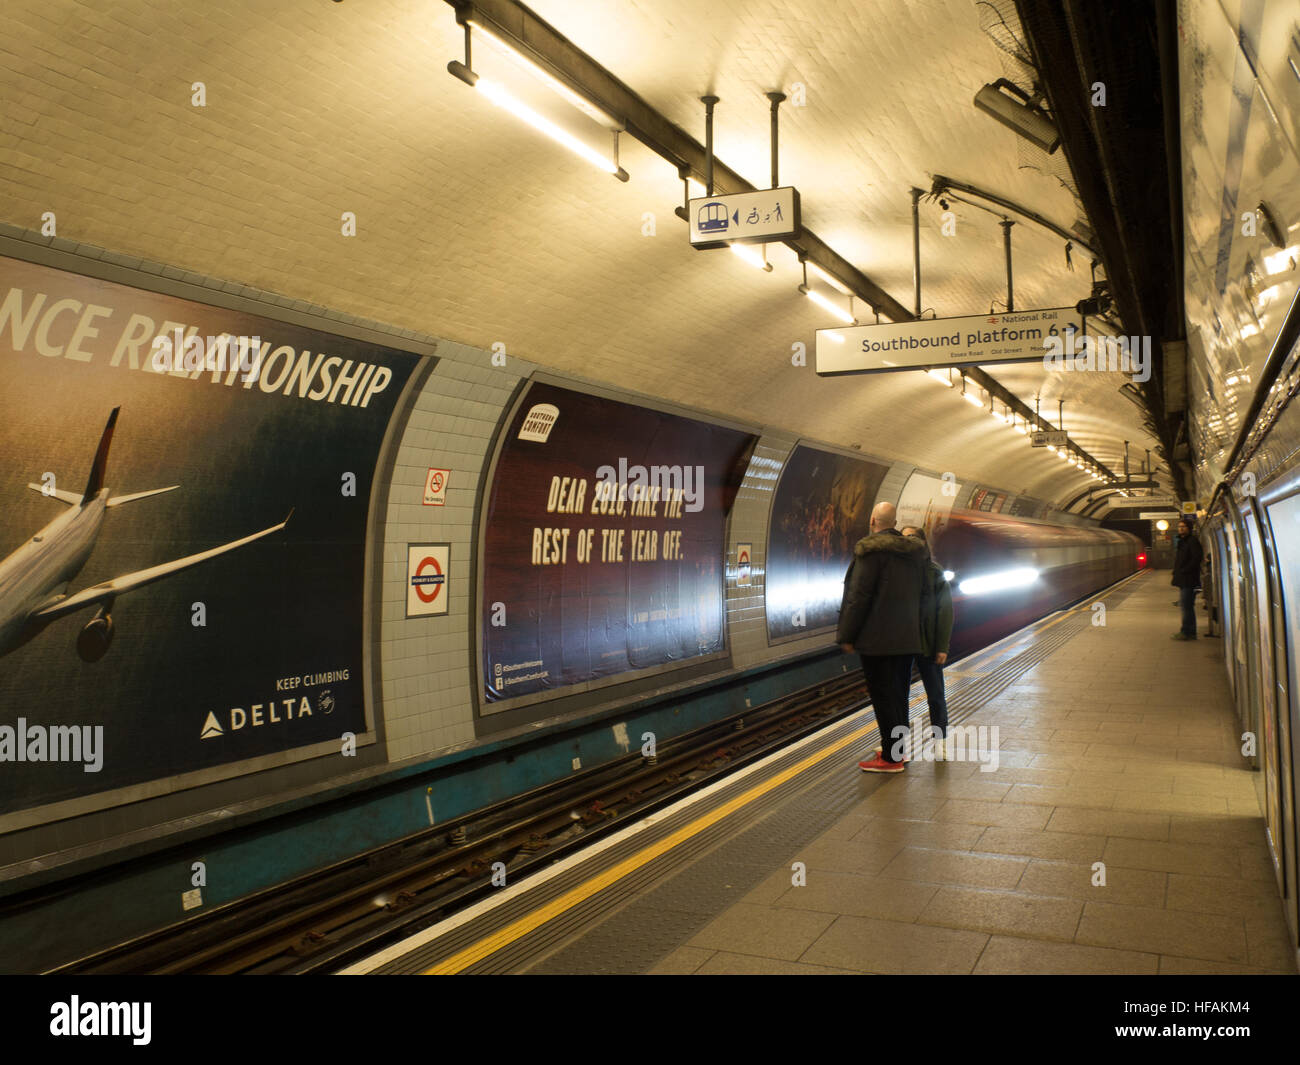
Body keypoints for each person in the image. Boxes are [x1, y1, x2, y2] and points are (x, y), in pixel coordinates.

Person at [837, 502, 931, 772]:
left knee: (882, 696)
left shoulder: (870, 551)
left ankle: (891, 758)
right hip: (906, 637)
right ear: (894, 522)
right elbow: (926, 595)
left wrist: (847, 635)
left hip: (877, 640)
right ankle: (897, 750)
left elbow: (859, 597)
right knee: (899, 695)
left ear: (872, 520)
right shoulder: (915, 554)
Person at [901, 527, 953, 758]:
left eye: (912, 537)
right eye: (903, 538)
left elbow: (945, 611)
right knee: (898, 697)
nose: (908, 542)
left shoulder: (935, 573)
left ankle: (940, 739)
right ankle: (896, 744)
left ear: (922, 542)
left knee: (935, 694)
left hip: (928, 644)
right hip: (901, 644)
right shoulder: (895, 573)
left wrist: (942, 646)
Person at [1171, 518, 1203, 640]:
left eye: (1183, 526)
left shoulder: (1192, 541)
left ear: (1189, 528)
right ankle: (1190, 632)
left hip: (1189, 580)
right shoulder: (1183, 541)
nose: (1181, 528)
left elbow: (1196, 559)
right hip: (1184, 580)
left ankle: (1186, 632)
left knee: (1186, 607)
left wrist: (1184, 571)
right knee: (1187, 606)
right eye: (1179, 526)